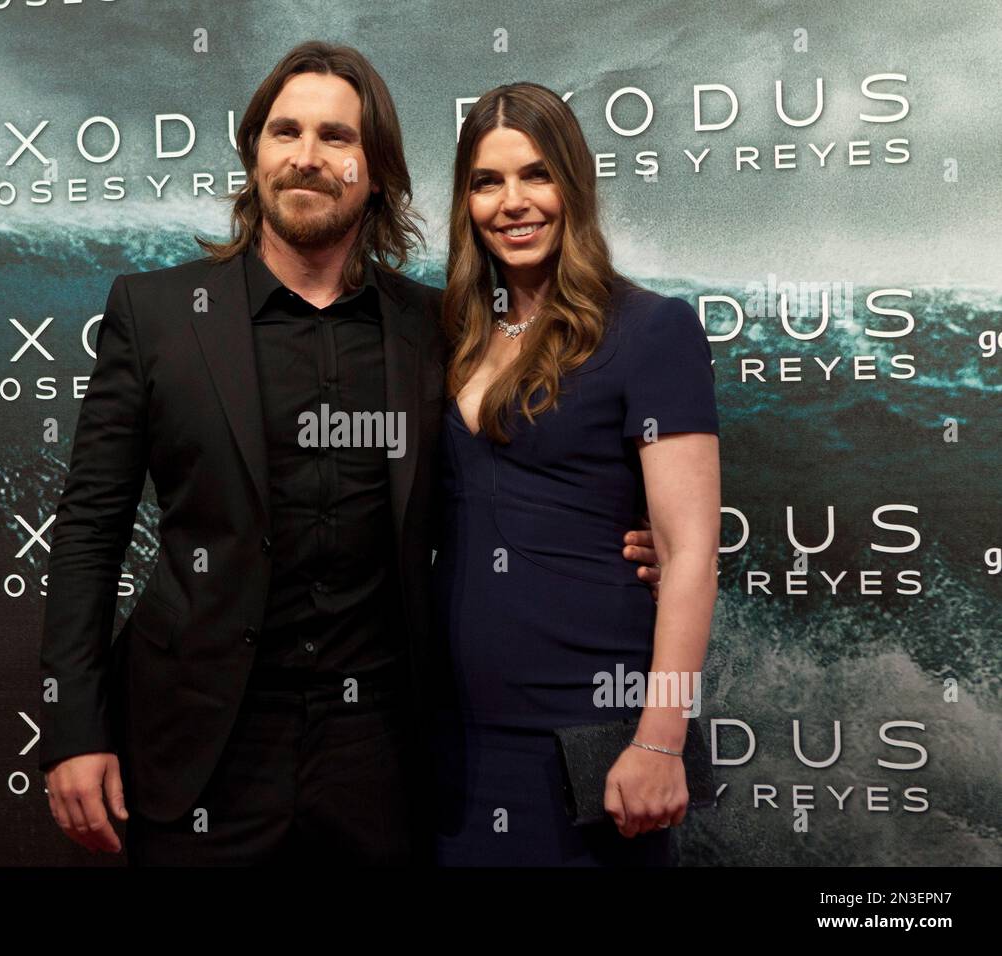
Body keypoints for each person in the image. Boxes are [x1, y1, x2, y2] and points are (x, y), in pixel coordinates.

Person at [39, 43, 663, 865]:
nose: (307, 156)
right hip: (197, 745)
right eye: (284, 132)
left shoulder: (440, 329)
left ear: (375, 172)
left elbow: (515, 469)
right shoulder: (155, 313)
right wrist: (74, 728)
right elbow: (89, 529)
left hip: (382, 752)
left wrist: (617, 541)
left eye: (337, 136)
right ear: (254, 155)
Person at [430, 83, 721, 866]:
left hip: (590, 732)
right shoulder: (443, 333)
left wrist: (661, 739)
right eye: (487, 182)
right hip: (448, 742)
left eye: (536, 174)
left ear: (575, 184)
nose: (513, 202)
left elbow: (690, 551)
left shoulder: (652, 330)